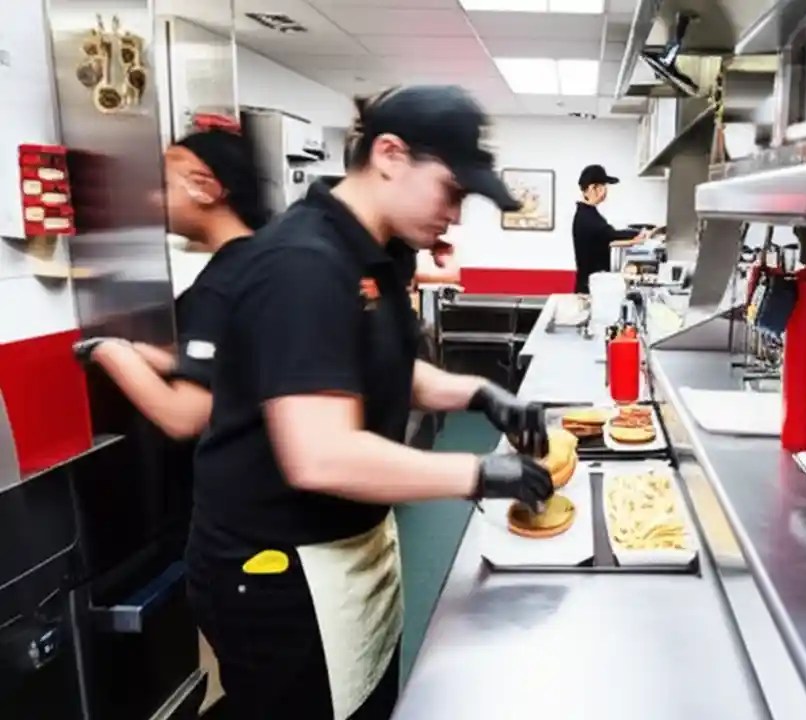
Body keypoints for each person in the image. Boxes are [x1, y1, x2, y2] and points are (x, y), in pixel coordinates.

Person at [186, 85, 553, 720]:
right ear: (389, 154)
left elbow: (375, 368)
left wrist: (479, 393)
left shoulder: (377, 253)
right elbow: (320, 456)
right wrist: (478, 473)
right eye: (452, 191)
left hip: (347, 547)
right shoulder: (304, 261)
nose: (456, 215)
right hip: (282, 565)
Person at [72, 127, 269, 438]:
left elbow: (183, 417)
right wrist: (169, 361)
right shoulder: (263, 258)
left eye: (163, 186)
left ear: (206, 188)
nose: (153, 199)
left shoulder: (223, 283)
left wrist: (102, 349)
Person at [571, 164, 652, 293]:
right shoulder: (587, 217)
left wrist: (635, 238)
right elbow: (611, 235)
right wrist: (641, 234)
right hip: (590, 288)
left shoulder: (585, 213)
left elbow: (608, 239)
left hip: (590, 285)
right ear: (594, 188)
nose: (606, 191)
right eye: (604, 187)